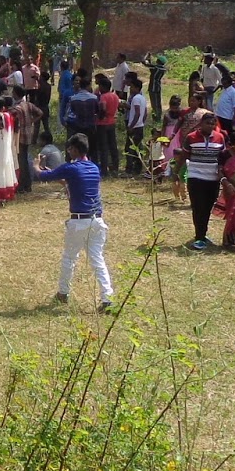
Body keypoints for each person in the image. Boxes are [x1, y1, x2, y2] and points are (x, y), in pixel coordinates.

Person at [35, 133, 114, 312]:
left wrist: (36, 166)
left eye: (70, 149)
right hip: (97, 220)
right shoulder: (93, 167)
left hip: (79, 221)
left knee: (69, 258)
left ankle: (63, 293)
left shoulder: (72, 168)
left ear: (75, 150)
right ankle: (107, 298)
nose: (68, 152)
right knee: (97, 260)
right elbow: (77, 184)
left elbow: (42, 177)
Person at [178, 107, 226, 249]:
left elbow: (222, 157)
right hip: (195, 177)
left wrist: (222, 172)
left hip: (213, 179)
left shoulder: (220, 137)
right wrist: (177, 174)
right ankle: (199, 237)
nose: (210, 126)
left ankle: (202, 234)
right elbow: (184, 156)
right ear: (201, 123)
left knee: (207, 208)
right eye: (208, 123)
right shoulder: (191, 137)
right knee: (198, 207)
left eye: (213, 124)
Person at [124, 73, 149, 175]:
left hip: (135, 127)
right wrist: (141, 122)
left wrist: (132, 125)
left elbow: (138, 113)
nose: (131, 89)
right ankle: (137, 168)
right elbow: (145, 112)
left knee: (129, 148)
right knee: (137, 148)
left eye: (132, 87)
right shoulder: (142, 98)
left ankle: (130, 169)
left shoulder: (136, 98)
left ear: (137, 88)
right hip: (140, 126)